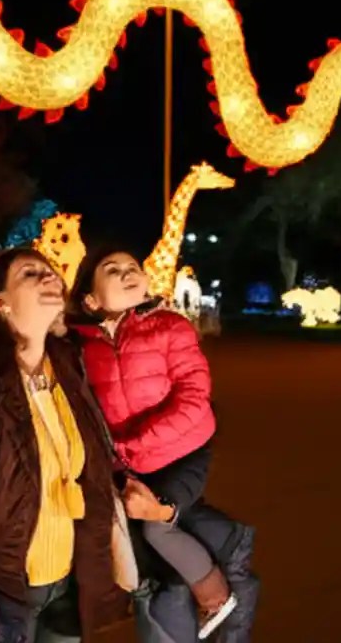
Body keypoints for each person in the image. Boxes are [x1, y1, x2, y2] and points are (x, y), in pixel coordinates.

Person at [0, 247, 130, 642]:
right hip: (8, 584)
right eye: (31, 274)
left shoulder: (69, 364)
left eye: (51, 271)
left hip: (69, 583)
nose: (51, 276)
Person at [68, 247, 236, 639]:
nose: (128, 272)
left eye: (133, 267)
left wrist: (130, 446)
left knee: (157, 527)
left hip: (183, 452)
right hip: (129, 463)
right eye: (112, 270)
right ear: (90, 298)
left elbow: (194, 398)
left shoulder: (170, 327)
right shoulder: (81, 346)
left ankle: (215, 594)